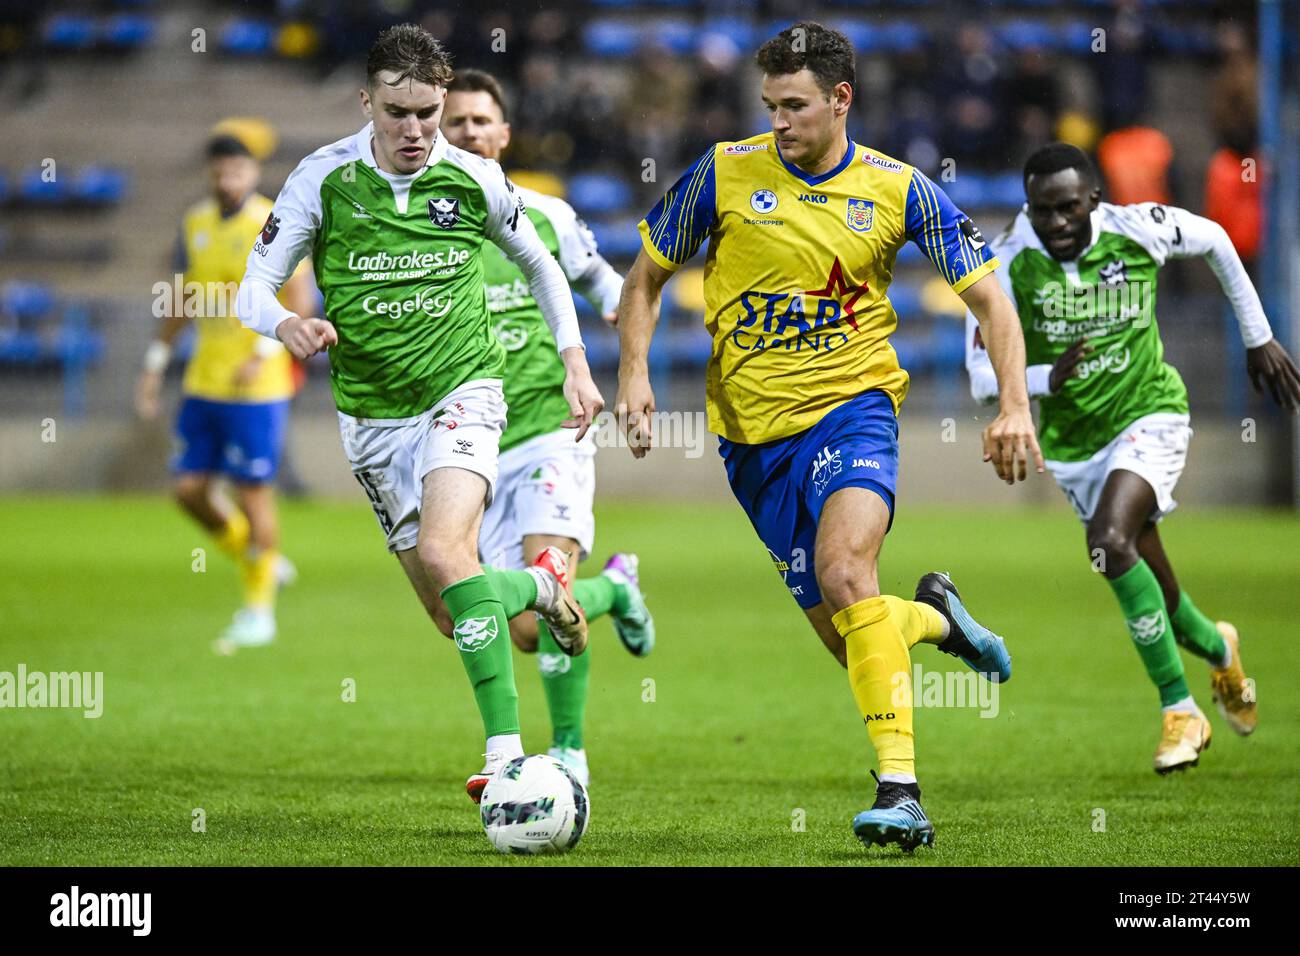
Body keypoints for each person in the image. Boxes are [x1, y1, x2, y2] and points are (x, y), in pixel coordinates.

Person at [616, 21, 1041, 851]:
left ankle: (902, 791)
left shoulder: (901, 188)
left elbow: (993, 301)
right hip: (750, 439)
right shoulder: (724, 171)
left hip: (854, 409)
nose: (778, 121)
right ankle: (936, 620)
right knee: (849, 633)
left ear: (842, 100)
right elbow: (646, 279)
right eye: (770, 104)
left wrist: (1013, 404)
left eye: (796, 106)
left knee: (847, 570)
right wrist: (633, 371)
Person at [234, 24, 604, 802]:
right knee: (449, 610)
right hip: (372, 418)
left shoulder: (471, 178)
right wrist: (287, 324)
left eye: (428, 113)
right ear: (368, 102)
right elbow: (251, 289)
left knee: (446, 550)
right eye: (398, 113)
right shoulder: (321, 180)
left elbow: (539, 261)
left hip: (464, 388)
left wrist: (575, 360)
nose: (414, 130)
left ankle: (507, 758)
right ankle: (541, 589)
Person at [966, 142, 1300, 772]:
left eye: (1068, 208)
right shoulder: (1005, 261)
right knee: (1152, 586)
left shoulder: (1140, 228)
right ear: (1028, 209)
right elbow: (982, 378)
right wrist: (1042, 381)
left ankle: (1180, 711)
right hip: (1072, 445)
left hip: (1150, 413)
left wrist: (1258, 339)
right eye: (1043, 211)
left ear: (1094, 199)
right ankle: (1219, 650)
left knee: (1110, 541)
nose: (1057, 223)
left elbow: (1218, 241)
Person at [439, 68, 655, 787]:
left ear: (504, 134)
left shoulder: (546, 217)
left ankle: (565, 751)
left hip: (547, 429)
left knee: (542, 584)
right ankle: (617, 590)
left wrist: (630, 358)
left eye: (480, 121)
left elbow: (607, 286)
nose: (468, 131)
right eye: (455, 121)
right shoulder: (422, 229)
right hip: (469, 448)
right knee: (522, 624)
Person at [135, 132, 315, 650]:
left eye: (236, 169)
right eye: (219, 170)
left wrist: (263, 353)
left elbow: (300, 301)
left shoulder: (272, 221)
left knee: (252, 494)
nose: (226, 178)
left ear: (253, 172)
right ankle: (261, 559)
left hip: (257, 386)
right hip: (203, 381)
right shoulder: (195, 223)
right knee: (188, 491)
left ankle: (259, 612)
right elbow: (185, 297)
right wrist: (155, 361)